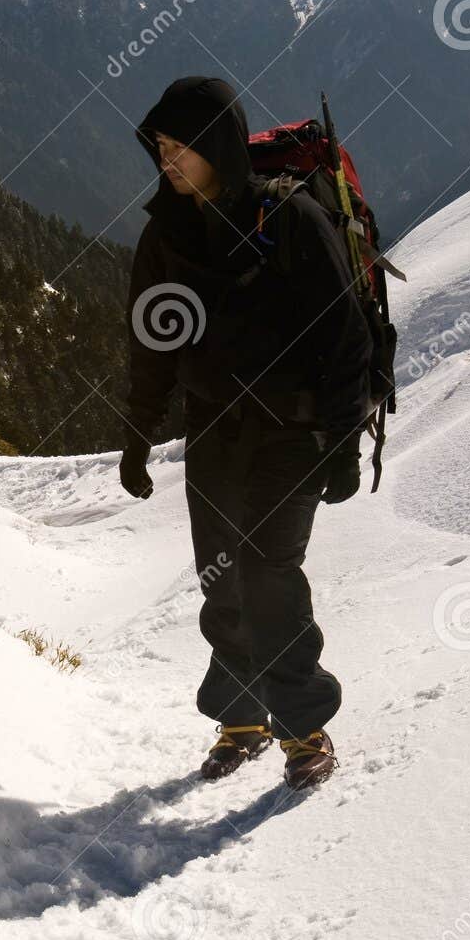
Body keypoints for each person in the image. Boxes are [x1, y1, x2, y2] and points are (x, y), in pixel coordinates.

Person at [119, 76, 372, 789]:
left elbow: (344, 338)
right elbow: (149, 342)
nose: (167, 160)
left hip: (292, 434)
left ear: (219, 148)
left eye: (182, 148)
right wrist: (136, 433)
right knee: (221, 579)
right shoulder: (164, 234)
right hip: (215, 434)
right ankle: (240, 718)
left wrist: (343, 442)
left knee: (267, 575)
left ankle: (302, 726)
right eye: (161, 147)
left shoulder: (290, 221)